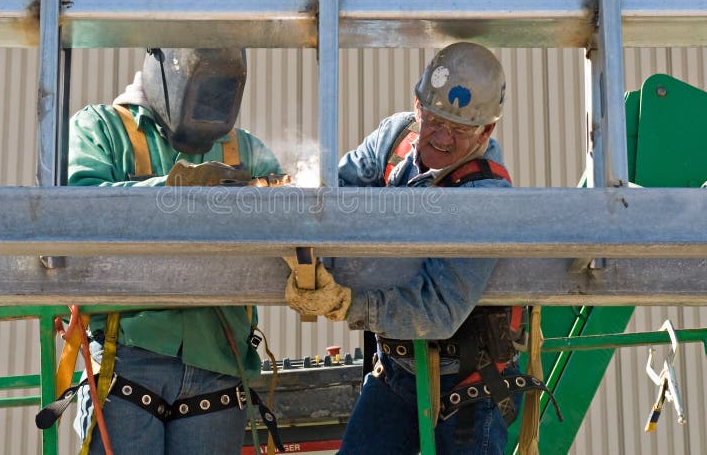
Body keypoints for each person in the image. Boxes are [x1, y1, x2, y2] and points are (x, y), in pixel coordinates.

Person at [285, 42, 551, 454]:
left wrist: (347, 304)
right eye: (434, 120)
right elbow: (337, 198)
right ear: (417, 106)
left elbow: (439, 311)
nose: (442, 139)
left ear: (486, 131)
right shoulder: (395, 139)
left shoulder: (485, 195)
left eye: (460, 130)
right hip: (396, 371)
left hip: (470, 383)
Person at [67, 48, 282, 454]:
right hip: (128, 358)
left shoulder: (245, 150)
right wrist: (170, 189)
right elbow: (79, 210)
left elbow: (292, 216)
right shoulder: (102, 129)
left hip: (218, 362)